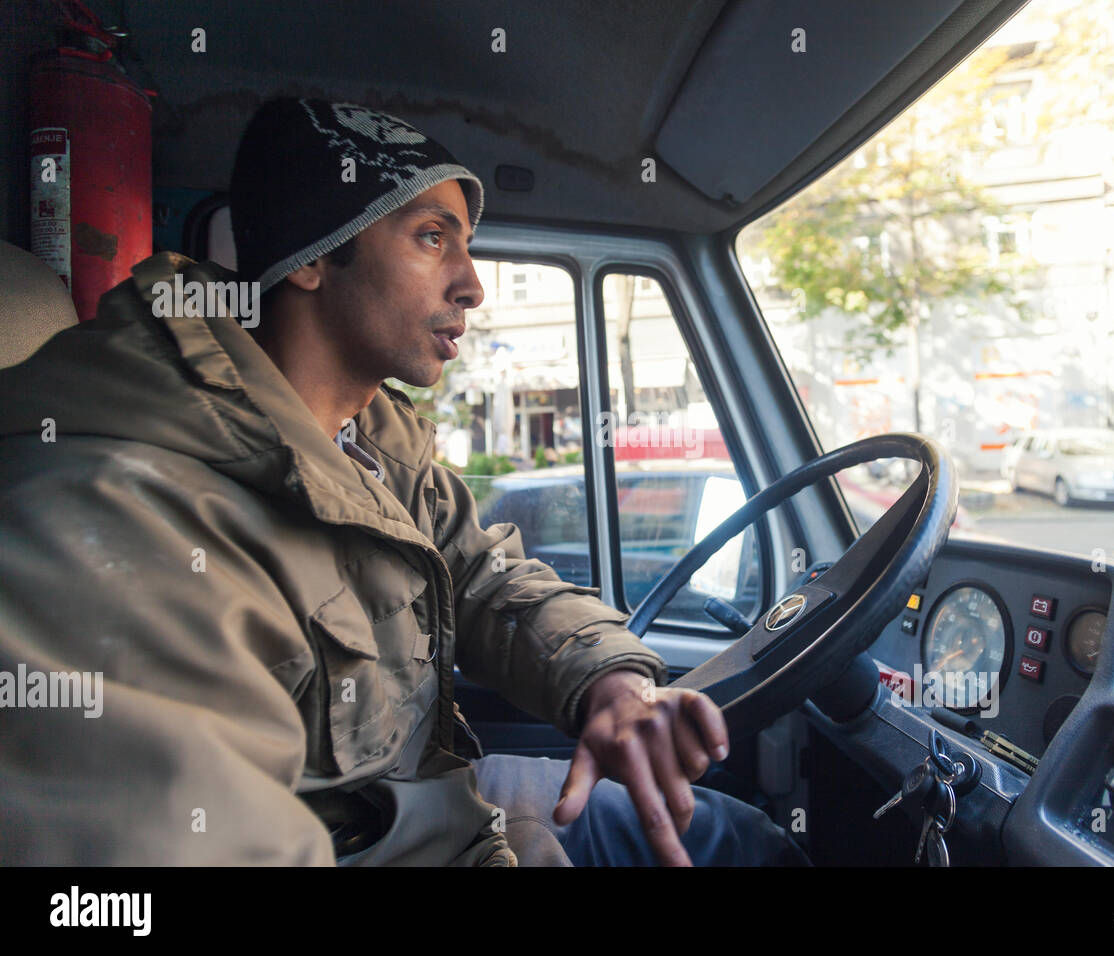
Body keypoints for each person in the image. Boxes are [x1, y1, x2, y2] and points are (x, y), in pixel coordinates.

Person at [0, 98, 807, 867]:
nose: (472, 285)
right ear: (315, 257)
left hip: (442, 810)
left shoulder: (374, 439)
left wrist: (612, 683)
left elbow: (488, 576)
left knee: (736, 839)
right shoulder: (128, 509)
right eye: (432, 238)